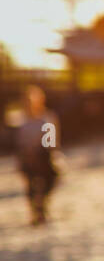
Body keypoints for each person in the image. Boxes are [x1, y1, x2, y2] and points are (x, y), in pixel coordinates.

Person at [15, 85, 60, 226]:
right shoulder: (21, 120)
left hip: (43, 156)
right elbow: (19, 141)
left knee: (51, 178)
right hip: (27, 156)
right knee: (30, 183)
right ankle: (36, 210)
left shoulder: (46, 119)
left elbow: (51, 142)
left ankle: (42, 205)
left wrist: (41, 151)